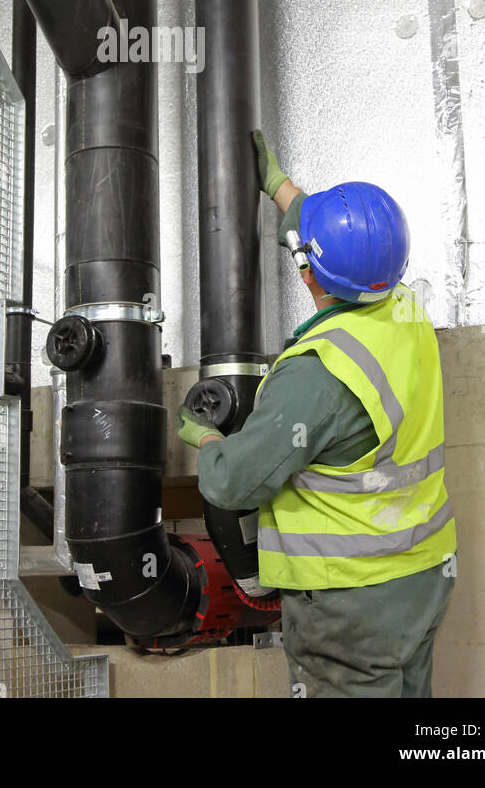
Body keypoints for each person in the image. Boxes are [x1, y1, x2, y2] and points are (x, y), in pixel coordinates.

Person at [177, 130, 456, 698]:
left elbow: (235, 482)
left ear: (307, 271)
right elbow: (341, 245)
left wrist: (205, 439)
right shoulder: (405, 309)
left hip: (351, 604)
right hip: (423, 576)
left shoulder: (317, 371)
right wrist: (279, 187)